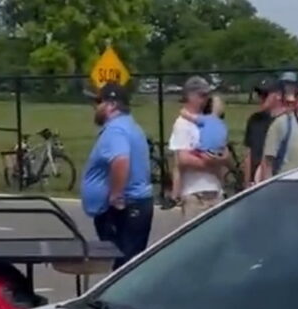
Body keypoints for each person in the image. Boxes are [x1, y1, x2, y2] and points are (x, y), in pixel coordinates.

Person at [82, 81, 154, 268]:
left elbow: (121, 160)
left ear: (112, 105)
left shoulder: (116, 130)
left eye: (98, 102)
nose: (95, 108)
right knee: (129, 265)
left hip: (125, 208)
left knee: (124, 269)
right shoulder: (130, 126)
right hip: (136, 205)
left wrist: (115, 195)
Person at [168, 76, 228, 221]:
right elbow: (183, 159)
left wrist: (221, 160)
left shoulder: (210, 122)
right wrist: (212, 165)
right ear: (189, 96)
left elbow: (225, 154)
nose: (206, 99)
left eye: (208, 95)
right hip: (195, 194)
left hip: (216, 190)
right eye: (202, 95)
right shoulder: (182, 124)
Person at [243, 78, 286, 186]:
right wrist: (247, 181)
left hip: (277, 179)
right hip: (255, 181)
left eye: (265, 94)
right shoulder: (255, 120)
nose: (261, 98)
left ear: (278, 95)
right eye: (259, 94)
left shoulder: (286, 121)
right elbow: (249, 153)